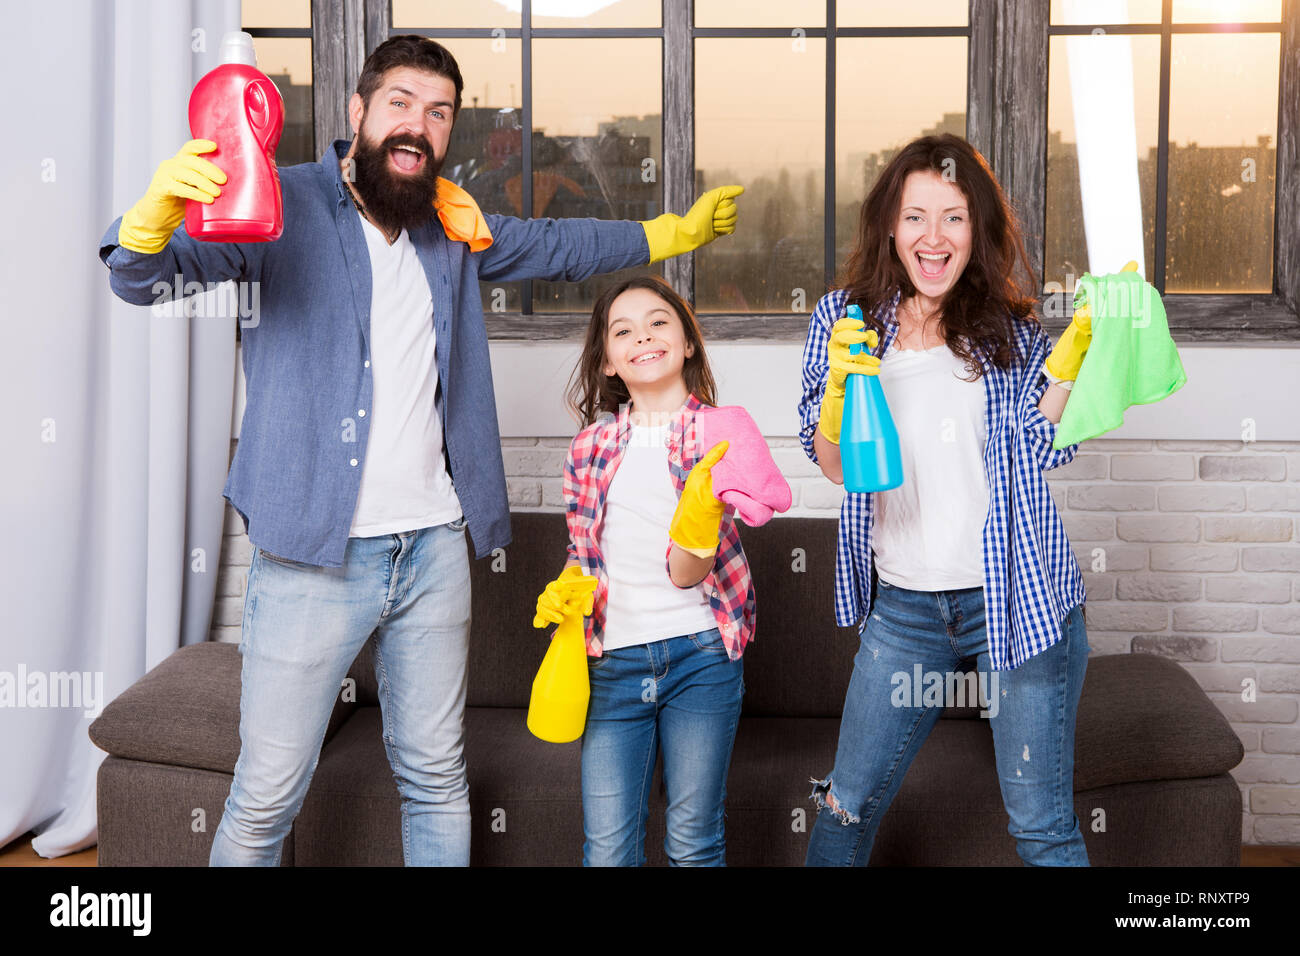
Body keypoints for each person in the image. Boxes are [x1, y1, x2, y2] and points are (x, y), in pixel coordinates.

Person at [98, 35, 742, 867]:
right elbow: (146, 276)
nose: (418, 124)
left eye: (438, 113)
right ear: (359, 112)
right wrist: (145, 224)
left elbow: (556, 245)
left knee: (437, 778)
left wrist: (665, 232)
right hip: (308, 557)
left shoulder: (450, 222)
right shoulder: (278, 203)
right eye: (400, 103)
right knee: (264, 796)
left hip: (434, 544)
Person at [798, 133, 1092, 866]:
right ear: (890, 228)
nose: (934, 237)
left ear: (977, 231)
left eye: (954, 217)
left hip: (1016, 599)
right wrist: (837, 397)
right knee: (844, 806)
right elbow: (835, 466)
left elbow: (1042, 449)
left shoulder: (1015, 334)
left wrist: (1073, 365)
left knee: (1041, 827)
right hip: (904, 610)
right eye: (915, 216)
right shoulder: (843, 319)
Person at [535, 275, 753, 866]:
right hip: (613, 664)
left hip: (701, 657)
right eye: (622, 330)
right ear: (608, 361)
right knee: (607, 851)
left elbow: (689, 572)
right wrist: (564, 591)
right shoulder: (589, 448)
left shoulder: (721, 433)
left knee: (693, 841)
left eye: (659, 322)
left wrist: (701, 513)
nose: (643, 337)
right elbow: (585, 554)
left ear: (687, 342)